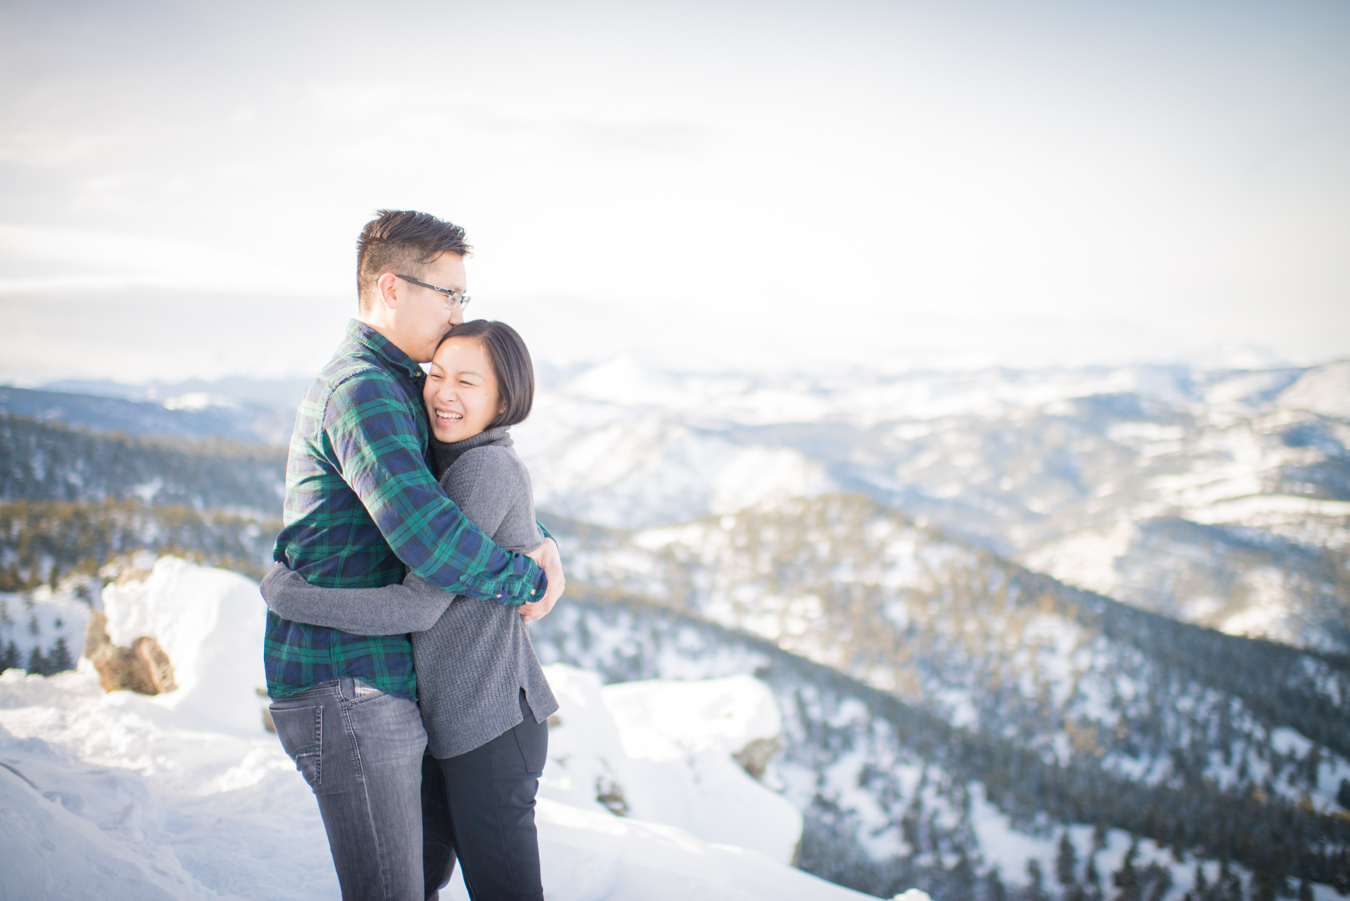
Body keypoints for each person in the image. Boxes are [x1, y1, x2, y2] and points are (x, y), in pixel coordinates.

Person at [266, 211, 564, 901]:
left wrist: (540, 540)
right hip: (344, 678)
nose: (460, 308)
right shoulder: (365, 389)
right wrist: (526, 573)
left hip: (387, 681)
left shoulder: (402, 381)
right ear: (393, 288)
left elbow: (469, 486)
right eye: (450, 293)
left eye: (464, 296)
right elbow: (429, 534)